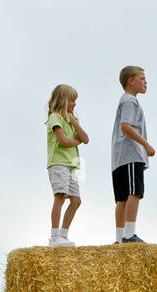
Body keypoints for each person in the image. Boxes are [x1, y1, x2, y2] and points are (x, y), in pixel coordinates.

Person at [111, 65, 152, 244]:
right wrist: (146, 144)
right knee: (134, 192)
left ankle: (120, 238)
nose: (145, 82)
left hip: (119, 157)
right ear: (131, 80)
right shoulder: (130, 101)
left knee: (121, 198)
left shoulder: (124, 100)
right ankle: (129, 234)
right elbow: (125, 126)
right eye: (142, 78)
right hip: (131, 154)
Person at [45, 84, 87, 247]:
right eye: (71, 100)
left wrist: (75, 122)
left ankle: (63, 235)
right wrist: (77, 141)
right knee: (60, 197)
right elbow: (63, 140)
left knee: (76, 201)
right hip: (58, 163)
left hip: (72, 165)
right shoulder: (55, 117)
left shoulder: (71, 120)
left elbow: (86, 138)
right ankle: (54, 236)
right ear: (63, 100)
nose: (74, 104)